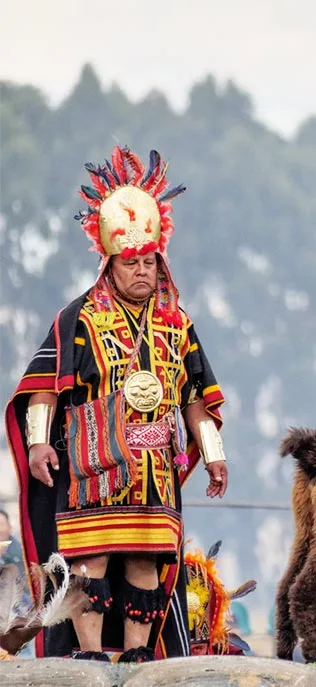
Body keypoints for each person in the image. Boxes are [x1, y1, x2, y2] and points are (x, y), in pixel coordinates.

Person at [3, 145, 229, 662]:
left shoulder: (179, 323)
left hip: (154, 465)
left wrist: (213, 451)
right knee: (92, 559)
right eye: (132, 262)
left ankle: (135, 657)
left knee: (145, 562)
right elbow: (44, 385)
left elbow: (196, 396)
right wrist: (39, 444)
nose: (143, 271)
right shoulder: (77, 317)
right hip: (93, 462)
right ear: (112, 262)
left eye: (150, 261)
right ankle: (88, 657)